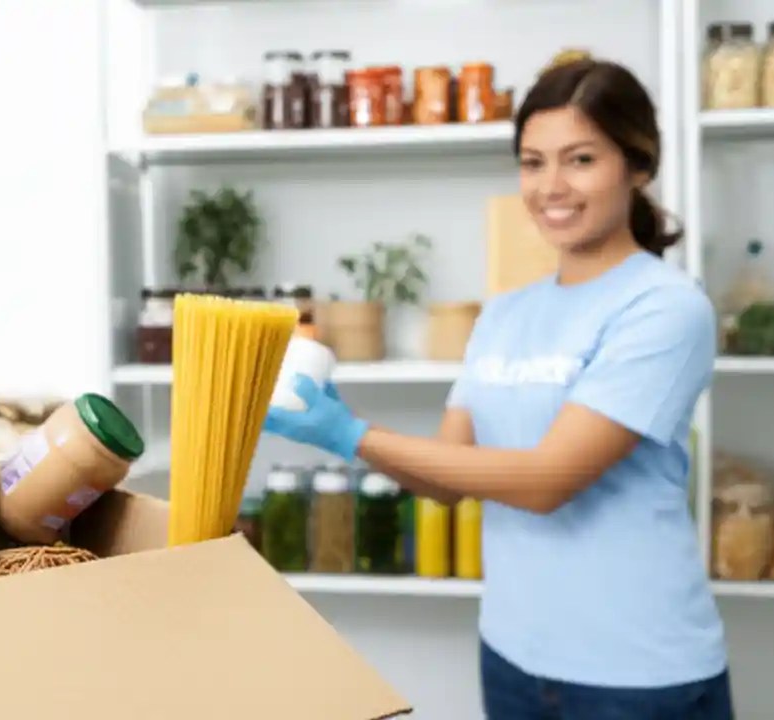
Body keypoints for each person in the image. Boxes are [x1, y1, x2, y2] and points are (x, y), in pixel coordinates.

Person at [263, 59, 733, 719]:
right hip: (512, 655)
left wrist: (351, 434)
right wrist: (346, 430)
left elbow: (546, 481)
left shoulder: (665, 307)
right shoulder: (506, 313)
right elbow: (449, 480)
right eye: (532, 162)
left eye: (580, 159)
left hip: (637, 673)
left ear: (638, 166)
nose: (551, 187)